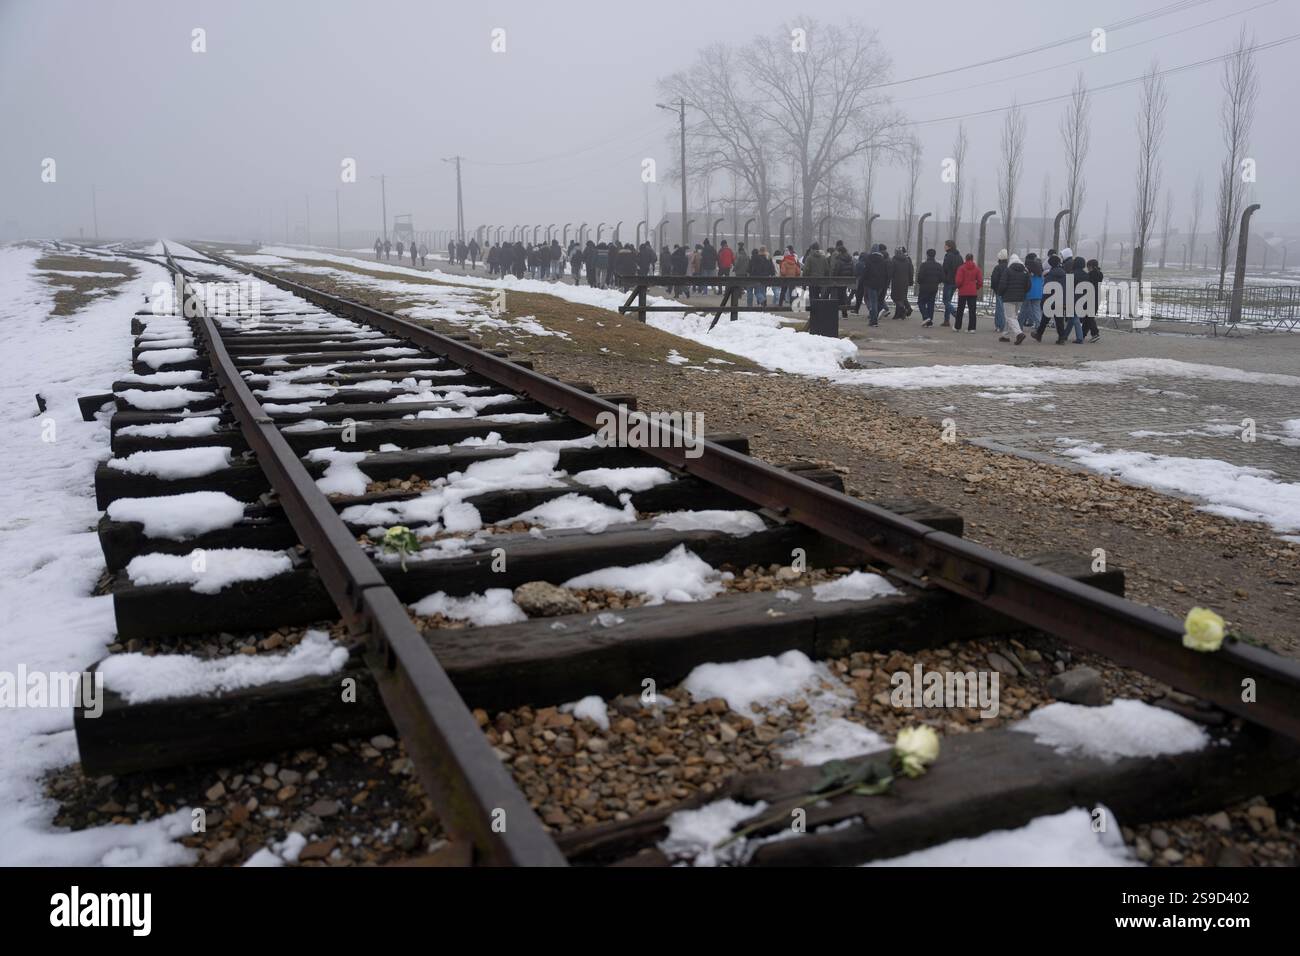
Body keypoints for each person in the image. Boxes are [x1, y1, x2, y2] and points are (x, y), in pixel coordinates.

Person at [1033, 254, 1069, 343]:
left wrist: (1043, 301)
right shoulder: (1064, 274)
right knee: (1059, 320)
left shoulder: (1049, 276)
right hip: (1060, 300)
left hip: (1050, 300)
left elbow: (1046, 290)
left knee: (1045, 319)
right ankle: (1061, 338)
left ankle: (1039, 334)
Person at [996, 253, 1029, 344]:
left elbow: (1002, 284)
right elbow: (1028, 285)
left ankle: (1019, 334)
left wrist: (1000, 293)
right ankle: (1005, 335)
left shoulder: (1008, 270)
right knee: (1011, 316)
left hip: (1008, 297)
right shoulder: (1025, 271)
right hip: (1020, 298)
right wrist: (1023, 292)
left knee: (1010, 317)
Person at [953, 253, 982, 332]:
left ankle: (957, 327)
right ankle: (972, 328)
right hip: (972, 292)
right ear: (972, 259)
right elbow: (980, 281)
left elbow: (958, 281)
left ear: (965, 259)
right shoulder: (977, 269)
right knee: (972, 310)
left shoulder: (961, 268)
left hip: (963, 292)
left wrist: (959, 286)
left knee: (960, 310)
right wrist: (976, 287)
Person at [916, 248, 943, 327]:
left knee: (921, 302)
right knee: (931, 304)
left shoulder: (924, 265)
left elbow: (920, 277)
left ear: (927, 255)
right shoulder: (938, 265)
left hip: (924, 287)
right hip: (934, 287)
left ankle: (926, 317)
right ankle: (929, 322)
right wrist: (936, 282)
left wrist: (921, 282)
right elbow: (942, 277)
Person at [864, 244, 889, 325]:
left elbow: (866, 272)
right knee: (876, 301)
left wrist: (865, 281)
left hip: (871, 284)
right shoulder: (883, 260)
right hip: (880, 285)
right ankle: (874, 317)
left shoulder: (868, 259)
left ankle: (873, 320)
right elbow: (885, 273)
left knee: (873, 302)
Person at [941, 240, 962, 326]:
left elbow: (945, 268)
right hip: (956, 282)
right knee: (948, 301)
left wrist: (944, 278)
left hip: (949, 281)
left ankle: (954, 312)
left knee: (945, 300)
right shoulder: (959, 257)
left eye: (945, 245)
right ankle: (946, 321)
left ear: (949, 246)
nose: (944, 247)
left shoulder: (948, 256)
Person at [831, 241, 854, 315]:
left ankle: (837, 312)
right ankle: (844, 312)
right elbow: (852, 269)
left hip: (839, 279)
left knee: (838, 296)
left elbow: (836, 269)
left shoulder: (839, 259)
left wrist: (834, 277)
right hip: (847, 279)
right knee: (843, 295)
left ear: (840, 252)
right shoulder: (849, 259)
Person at [890, 245, 913, 319]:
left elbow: (891, 271)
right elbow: (910, 271)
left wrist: (889, 278)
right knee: (902, 297)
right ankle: (899, 314)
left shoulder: (894, 260)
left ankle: (902, 310)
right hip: (905, 281)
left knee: (895, 297)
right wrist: (910, 281)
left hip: (896, 281)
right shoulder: (907, 260)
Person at [1083, 259, 1103, 342]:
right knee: (1088, 316)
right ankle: (1082, 334)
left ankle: (1095, 333)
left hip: (1089, 296)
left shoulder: (1089, 275)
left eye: (1088, 266)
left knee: (1089, 316)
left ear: (1090, 266)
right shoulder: (1100, 274)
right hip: (1097, 297)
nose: (1087, 268)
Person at [989, 249, 1009, 334]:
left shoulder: (998, 268)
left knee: (999, 309)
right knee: (1004, 309)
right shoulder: (1009, 267)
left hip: (999, 291)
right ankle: (1002, 325)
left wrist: (994, 288)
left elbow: (994, 279)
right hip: (1007, 291)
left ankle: (999, 326)